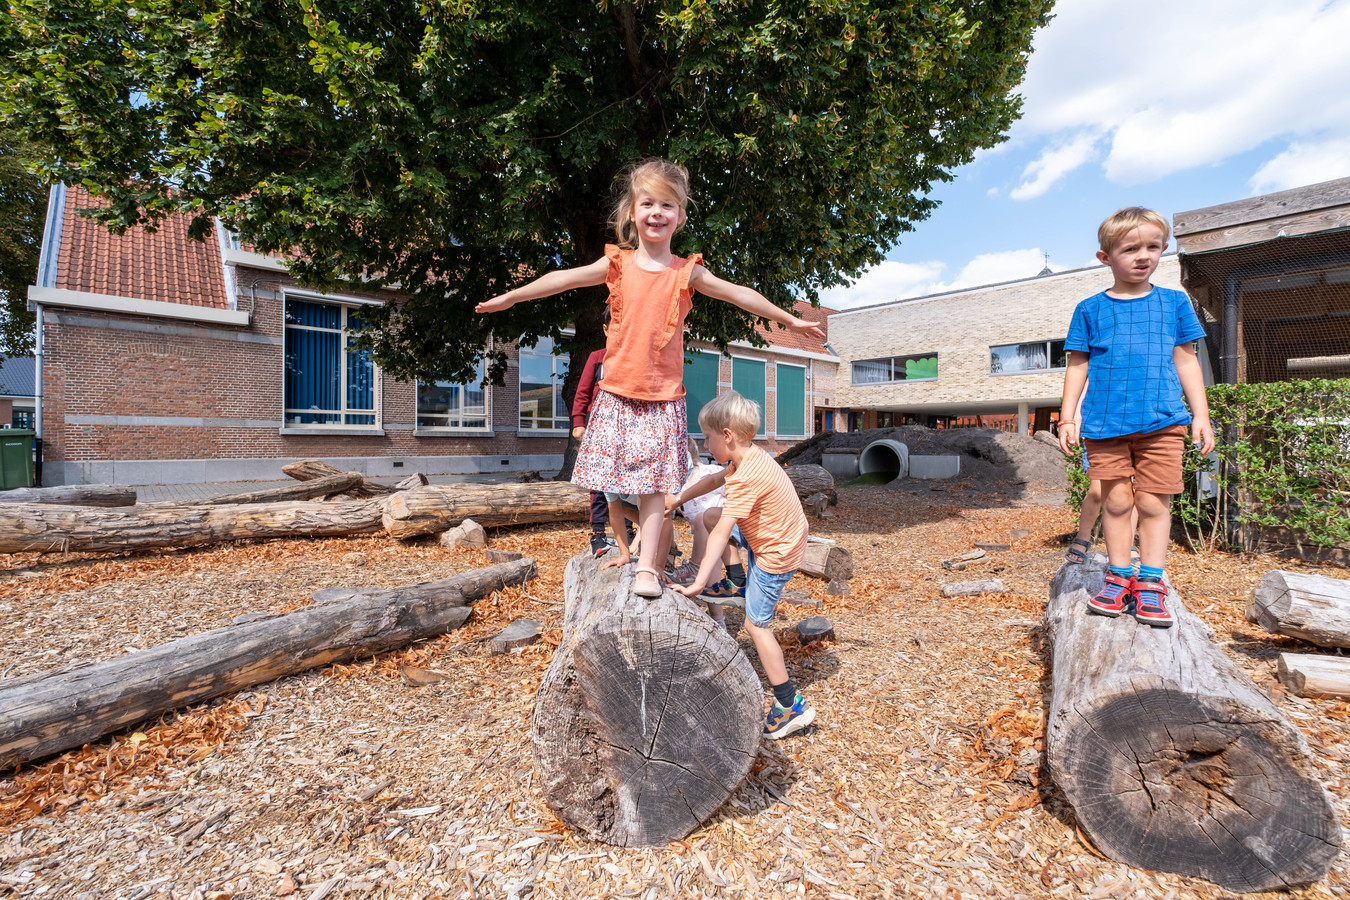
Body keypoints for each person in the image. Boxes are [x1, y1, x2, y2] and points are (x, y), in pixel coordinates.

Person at [476, 158, 824, 598]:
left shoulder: (687, 273)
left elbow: (740, 294)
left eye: (667, 205)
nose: (656, 212)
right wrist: (513, 296)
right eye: (647, 203)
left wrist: (788, 320)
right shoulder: (616, 265)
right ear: (632, 212)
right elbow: (561, 280)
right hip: (618, 394)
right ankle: (629, 552)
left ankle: (647, 569)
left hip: (661, 398)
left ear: (680, 215)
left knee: (656, 488)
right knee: (614, 486)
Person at [1058, 207, 1213, 627]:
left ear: (1163, 248)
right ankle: (1119, 575)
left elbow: (1186, 360)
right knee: (1117, 500)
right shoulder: (1089, 310)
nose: (1143, 255)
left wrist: (1201, 414)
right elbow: (1077, 365)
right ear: (1105, 257)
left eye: (1153, 246)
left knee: (1151, 501)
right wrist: (1067, 418)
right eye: (1130, 248)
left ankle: (1151, 582)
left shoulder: (1175, 303)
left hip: (1163, 421)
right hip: (1104, 425)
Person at [672, 391, 815, 739]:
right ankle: (736, 581)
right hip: (770, 533)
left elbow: (721, 535)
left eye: (707, 437)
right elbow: (713, 482)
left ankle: (789, 704)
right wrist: (678, 498)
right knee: (709, 513)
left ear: (727, 436)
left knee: (756, 626)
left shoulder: (748, 477)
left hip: (775, 553)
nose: (705, 444)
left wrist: (697, 582)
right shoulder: (747, 458)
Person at [571, 309, 633, 558]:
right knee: (598, 485)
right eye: (615, 327)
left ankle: (627, 530)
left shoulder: (632, 360)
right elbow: (583, 392)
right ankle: (598, 533)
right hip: (599, 431)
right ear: (606, 330)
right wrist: (579, 422)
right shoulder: (597, 358)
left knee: (628, 483)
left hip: (627, 433)